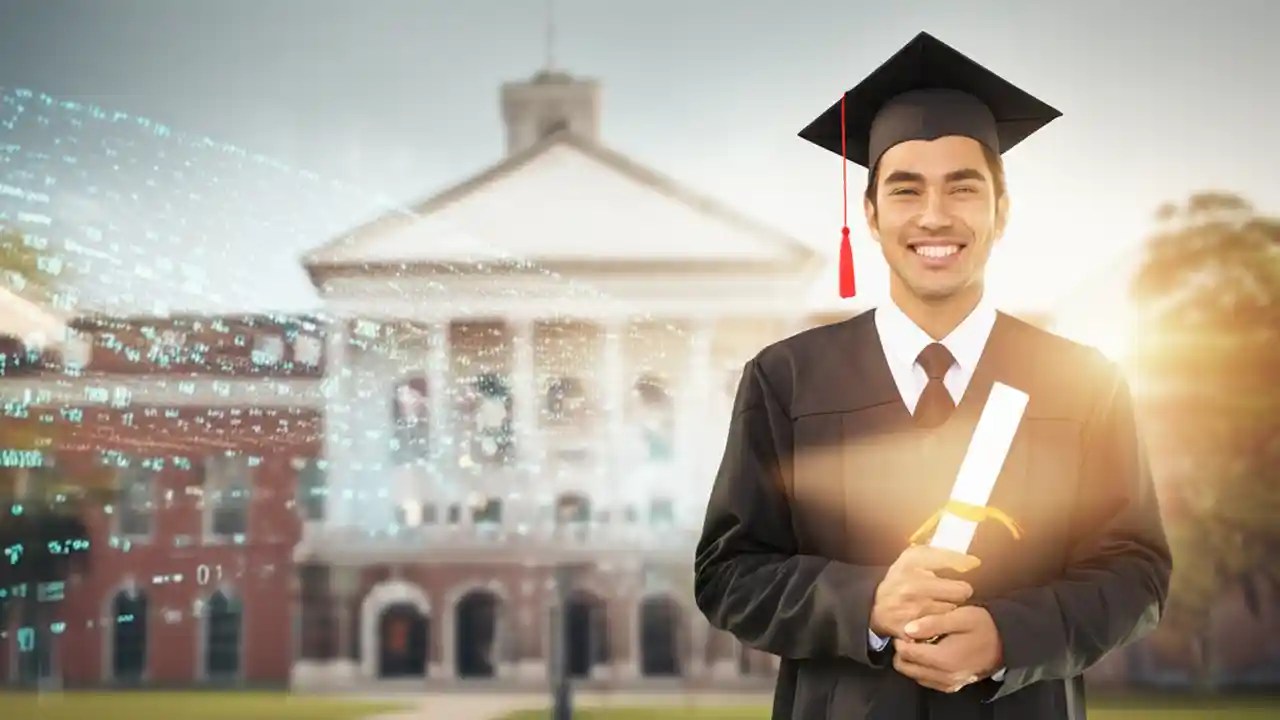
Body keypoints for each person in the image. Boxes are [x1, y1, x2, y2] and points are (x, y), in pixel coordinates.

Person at [693, 31, 1171, 720]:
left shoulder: (1085, 383)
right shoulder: (787, 380)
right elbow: (728, 575)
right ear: (872, 215)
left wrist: (1010, 636)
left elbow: (1137, 576)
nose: (935, 216)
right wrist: (866, 604)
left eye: (963, 188)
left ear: (1000, 212)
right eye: (906, 189)